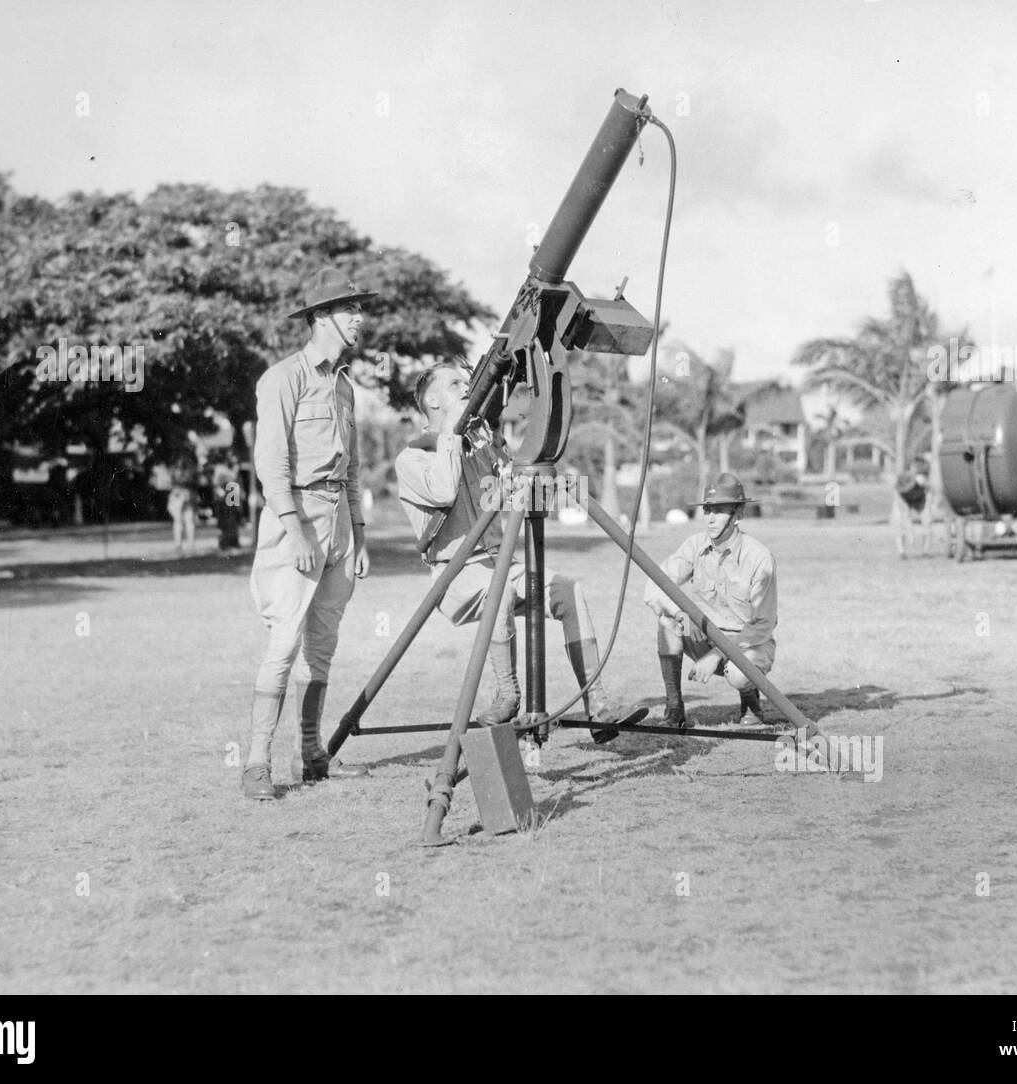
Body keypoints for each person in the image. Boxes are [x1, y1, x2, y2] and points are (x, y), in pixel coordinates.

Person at [394, 361, 628, 742]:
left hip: (500, 563)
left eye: (470, 383)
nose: (467, 389)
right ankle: (507, 695)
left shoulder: (484, 446)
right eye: (456, 384)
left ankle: (598, 706)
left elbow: (523, 491)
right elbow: (442, 491)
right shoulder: (414, 457)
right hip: (456, 574)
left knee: (570, 591)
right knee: (500, 587)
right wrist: (456, 432)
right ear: (433, 400)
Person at [242, 267, 375, 800]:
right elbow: (269, 464)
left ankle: (313, 753)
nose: (359, 318)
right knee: (283, 642)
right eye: (349, 309)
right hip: (294, 515)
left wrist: (359, 535)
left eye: (359, 308)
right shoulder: (284, 377)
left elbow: (353, 467)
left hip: (338, 520)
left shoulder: (344, 385)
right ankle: (256, 763)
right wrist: (294, 530)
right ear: (321, 317)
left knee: (322, 643)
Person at [643, 472, 779, 731]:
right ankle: (674, 708)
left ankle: (751, 704)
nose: (711, 518)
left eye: (719, 510)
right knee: (667, 622)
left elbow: (763, 624)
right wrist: (681, 613)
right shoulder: (695, 545)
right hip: (704, 636)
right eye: (707, 510)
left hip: (747, 643)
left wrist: (718, 654)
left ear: (738, 514)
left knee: (740, 674)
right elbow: (655, 584)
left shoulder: (759, 558)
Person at [168, 454, 201, 553]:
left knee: (183, 521)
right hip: (184, 494)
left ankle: (182, 544)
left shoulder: (176, 471)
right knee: (186, 521)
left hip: (180, 494)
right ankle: (185, 544)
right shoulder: (189, 471)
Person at [211, 453, 242, 553]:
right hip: (223, 497)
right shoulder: (221, 468)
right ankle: (223, 543)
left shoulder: (234, 468)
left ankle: (233, 542)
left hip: (233, 495)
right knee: (223, 521)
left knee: (233, 520)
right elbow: (216, 482)